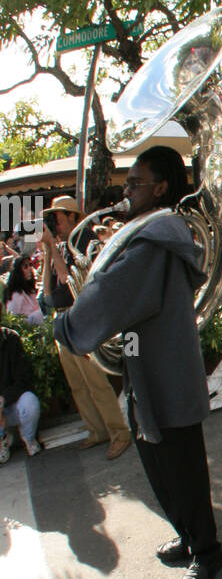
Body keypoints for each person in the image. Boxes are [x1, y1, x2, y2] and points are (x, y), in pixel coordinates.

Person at [53, 147, 222, 579]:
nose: (125, 191)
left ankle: (207, 551)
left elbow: (112, 296)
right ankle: (188, 538)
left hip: (165, 374)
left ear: (162, 187)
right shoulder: (148, 236)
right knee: (158, 467)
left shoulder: (154, 241)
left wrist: (69, 322)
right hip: (144, 370)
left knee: (182, 471)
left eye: (134, 183)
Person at [39, 195, 131, 459]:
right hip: (62, 318)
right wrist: (47, 250)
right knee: (78, 384)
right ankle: (97, 431)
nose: (52, 222)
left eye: (56, 216)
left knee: (95, 381)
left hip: (80, 318)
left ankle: (119, 433)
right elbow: (47, 293)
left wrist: (53, 250)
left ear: (72, 217)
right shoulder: (59, 246)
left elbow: (70, 280)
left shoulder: (84, 242)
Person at [0, 322, 42, 459]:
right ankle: (3, 439)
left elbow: (23, 378)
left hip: (12, 401)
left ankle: (28, 437)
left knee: (30, 402)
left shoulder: (10, 338)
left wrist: (3, 399)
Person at [4, 254, 44, 325]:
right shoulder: (16, 295)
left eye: (30, 265)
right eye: (25, 266)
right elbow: (13, 320)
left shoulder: (29, 290)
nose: (30, 268)